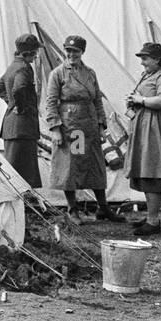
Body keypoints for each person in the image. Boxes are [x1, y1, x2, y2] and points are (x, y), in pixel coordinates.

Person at [42, 34, 114, 223]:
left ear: (82, 52)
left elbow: (97, 99)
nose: (71, 54)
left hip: (89, 124)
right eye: (68, 50)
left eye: (75, 51)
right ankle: (72, 209)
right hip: (72, 126)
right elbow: (50, 102)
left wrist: (101, 126)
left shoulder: (90, 73)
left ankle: (103, 207)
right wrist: (55, 128)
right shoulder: (58, 73)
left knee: (95, 165)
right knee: (71, 166)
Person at [124, 41, 161, 235]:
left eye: (145, 58)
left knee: (154, 171)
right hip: (143, 129)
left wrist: (141, 100)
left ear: (157, 59)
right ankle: (150, 216)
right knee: (145, 171)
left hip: (156, 130)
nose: (142, 62)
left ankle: (154, 221)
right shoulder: (148, 76)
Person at [0, 33, 43, 188]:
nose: (35, 57)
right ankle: (23, 208)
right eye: (34, 53)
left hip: (12, 126)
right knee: (23, 172)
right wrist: (20, 106)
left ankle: (21, 207)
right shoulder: (24, 68)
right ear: (28, 53)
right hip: (22, 127)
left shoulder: (13, 66)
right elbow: (19, 88)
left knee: (15, 169)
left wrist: (11, 104)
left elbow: (0, 87)